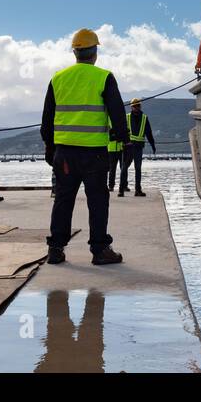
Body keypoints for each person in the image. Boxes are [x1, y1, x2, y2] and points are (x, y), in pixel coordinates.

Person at [41, 28, 127, 265]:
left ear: (75, 53)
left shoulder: (58, 78)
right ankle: (99, 250)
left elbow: (47, 118)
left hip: (65, 153)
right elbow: (117, 113)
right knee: (97, 201)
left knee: (63, 199)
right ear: (94, 52)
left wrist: (50, 147)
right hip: (95, 154)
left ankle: (56, 249)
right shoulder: (104, 77)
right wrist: (123, 137)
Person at [120, 97, 157, 196]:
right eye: (134, 106)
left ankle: (137, 190)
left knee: (138, 168)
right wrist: (123, 142)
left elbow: (149, 133)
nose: (136, 108)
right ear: (131, 107)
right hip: (128, 147)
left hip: (138, 147)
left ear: (140, 106)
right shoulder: (127, 117)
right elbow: (122, 131)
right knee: (124, 168)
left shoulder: (144, 118)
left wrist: (153, 145)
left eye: (137, 106)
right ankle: (121, 190)